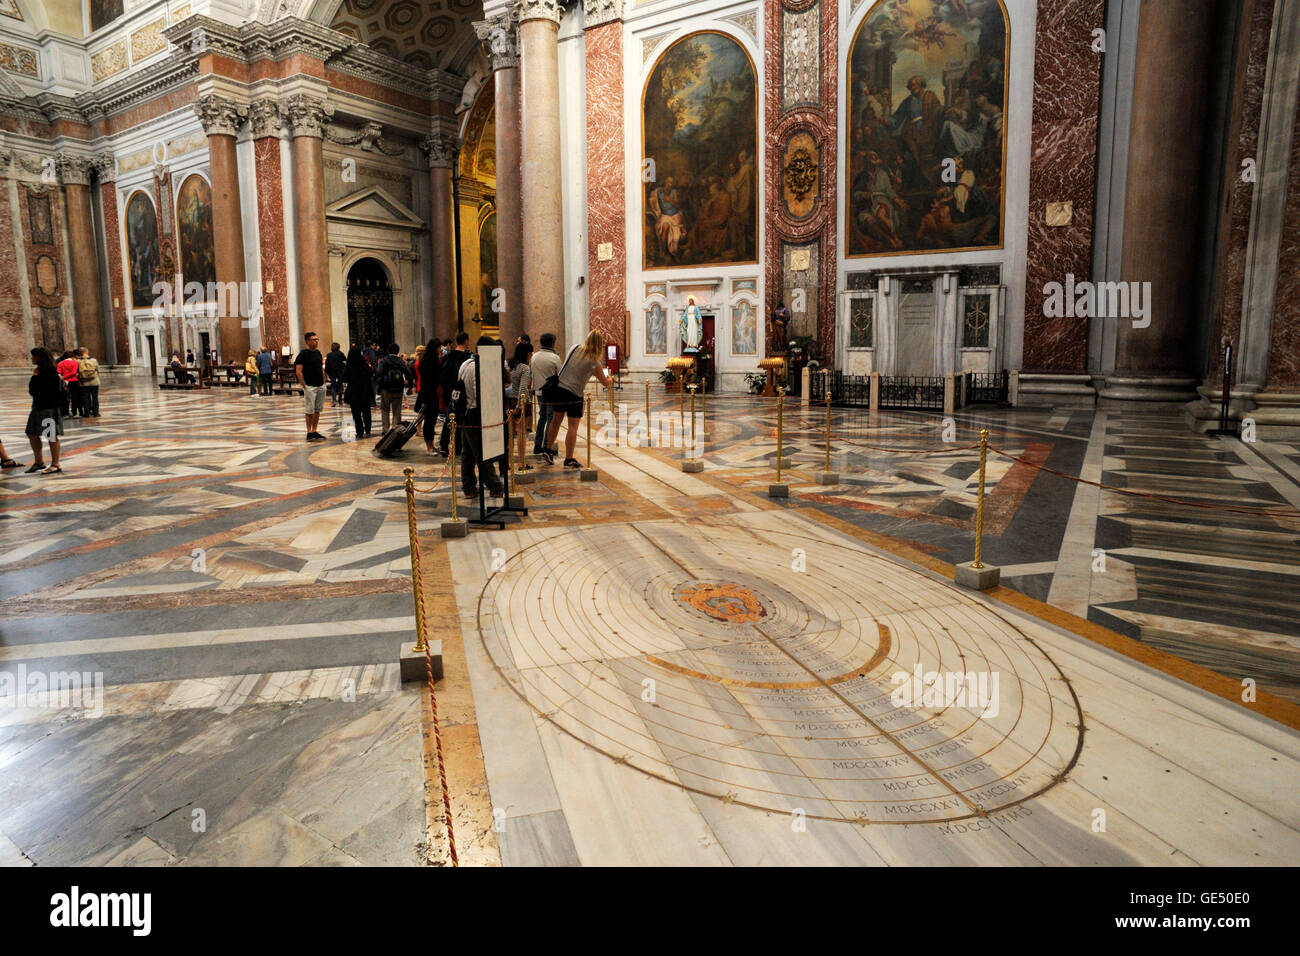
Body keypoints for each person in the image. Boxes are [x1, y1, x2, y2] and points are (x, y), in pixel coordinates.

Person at [541, 330, 611, 468]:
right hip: (574, 395)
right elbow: (605, 382)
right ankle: (569, 459)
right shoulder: (594, 362)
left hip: (559, 389)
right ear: (600, 344)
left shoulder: (575, 347)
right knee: (573, 426)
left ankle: (548, 450)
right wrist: (611, 378)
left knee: (555, 421)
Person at [455, 336, 505, 498]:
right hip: (476, 413)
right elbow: (481, 394)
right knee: (482, 452)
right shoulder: (478, 367)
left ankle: (469, 487)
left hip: (464, 411)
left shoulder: (465, 364)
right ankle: (494, 485)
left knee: (468, 453)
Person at [25, 347, 63, 474]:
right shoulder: (38, 371)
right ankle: (39, 462)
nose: (32, 359)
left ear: (40, 357)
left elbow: (50, 390)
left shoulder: (51, 371)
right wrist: (36, 379)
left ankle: (56, 464)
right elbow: (32, 391)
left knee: (51, 436)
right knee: (31, 433)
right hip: (37, 407)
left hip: (48, 408)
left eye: (33, 356)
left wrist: (36, 380)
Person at [438, 332, 472, 456]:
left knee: (449, 418)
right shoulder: (468, 357)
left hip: (449, 392)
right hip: (462, 392)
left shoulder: (448, 356)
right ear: (466, 341)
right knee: (460, 419)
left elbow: (442, 374)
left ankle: (444, 445)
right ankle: (458, 447)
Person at [528, 332, 561, 457]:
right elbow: (560, 375)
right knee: (550, 418)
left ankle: (537, 444)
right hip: (552, 392)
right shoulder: (554, 358)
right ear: (552, 343)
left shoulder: (534, 357)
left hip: (539, 391)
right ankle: (547, 446)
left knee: (542, 417)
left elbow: (532, 374)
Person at [293, 331, 328, 442]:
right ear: (307, 341)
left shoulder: (318, 353)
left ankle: (315, 430)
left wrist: (324, 379)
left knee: (317, 410)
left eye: (317, 339)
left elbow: (321, 367)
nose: (316, 341)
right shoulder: (303, 354)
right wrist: (305, 386)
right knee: (309, 410)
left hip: (320, 385)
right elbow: (298, 371)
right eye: (314, 339)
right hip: (310, 386)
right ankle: (309, 432)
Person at [375, 343, 414, 434]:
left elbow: (379, 372)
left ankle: (385, 429)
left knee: (385, 409)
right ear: (398, 351)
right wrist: (410, 386)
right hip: (398, 389)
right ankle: (395, 430)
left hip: (386, 388)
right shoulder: (400, 361)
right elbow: (409, 373)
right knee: (397, 410)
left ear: (388, 351)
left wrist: (377, 382)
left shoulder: (384, 360)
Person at [415, 338, 441, 454]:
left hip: (432, 393)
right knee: (429, 421)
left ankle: (431, 444)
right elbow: (425, 382)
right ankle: (429, 446)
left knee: (432, 420)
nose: (440, 350)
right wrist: (425, 399)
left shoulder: (432, 360)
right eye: (439, 347)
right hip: (427, 394)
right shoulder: (427, 362)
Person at [343, 346, 373, 439]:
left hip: (353, 392)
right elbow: (370, 375)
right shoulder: (365, 365)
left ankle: (359, 431)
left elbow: (344, 378)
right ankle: (368, 429)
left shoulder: (349, 367)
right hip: (365, 391)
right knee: (366, 412)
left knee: (356, 414)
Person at [76, 347, 100, 418]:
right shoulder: (94, 360)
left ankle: (86, 413)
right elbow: (97, 370)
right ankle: (96, 413)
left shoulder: (78, 361)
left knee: (85, 398)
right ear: (87, 352)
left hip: (84, 382)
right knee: (95, 397)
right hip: (94, 381)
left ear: (80, 353)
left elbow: (77, 372)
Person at [57, 350, 81, 418]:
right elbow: (74, 373)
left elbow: (58, 373)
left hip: (64, 383)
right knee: (74, 398)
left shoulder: (60, 363)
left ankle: (65, 414)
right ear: (72, 356)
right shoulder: (75, 363)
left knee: (65, 399)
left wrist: (64, 377)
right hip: (74, 382)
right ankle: (74, 413)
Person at [325, 341, 346, 406]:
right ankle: (340, 400)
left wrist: (327, 372)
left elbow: (327, 364)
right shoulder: (340, 354)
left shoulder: (329, 355)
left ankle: (334, 400)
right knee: (340, 386)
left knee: (333, 387)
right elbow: (344, 359)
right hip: (340, 372)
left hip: (332, 372)